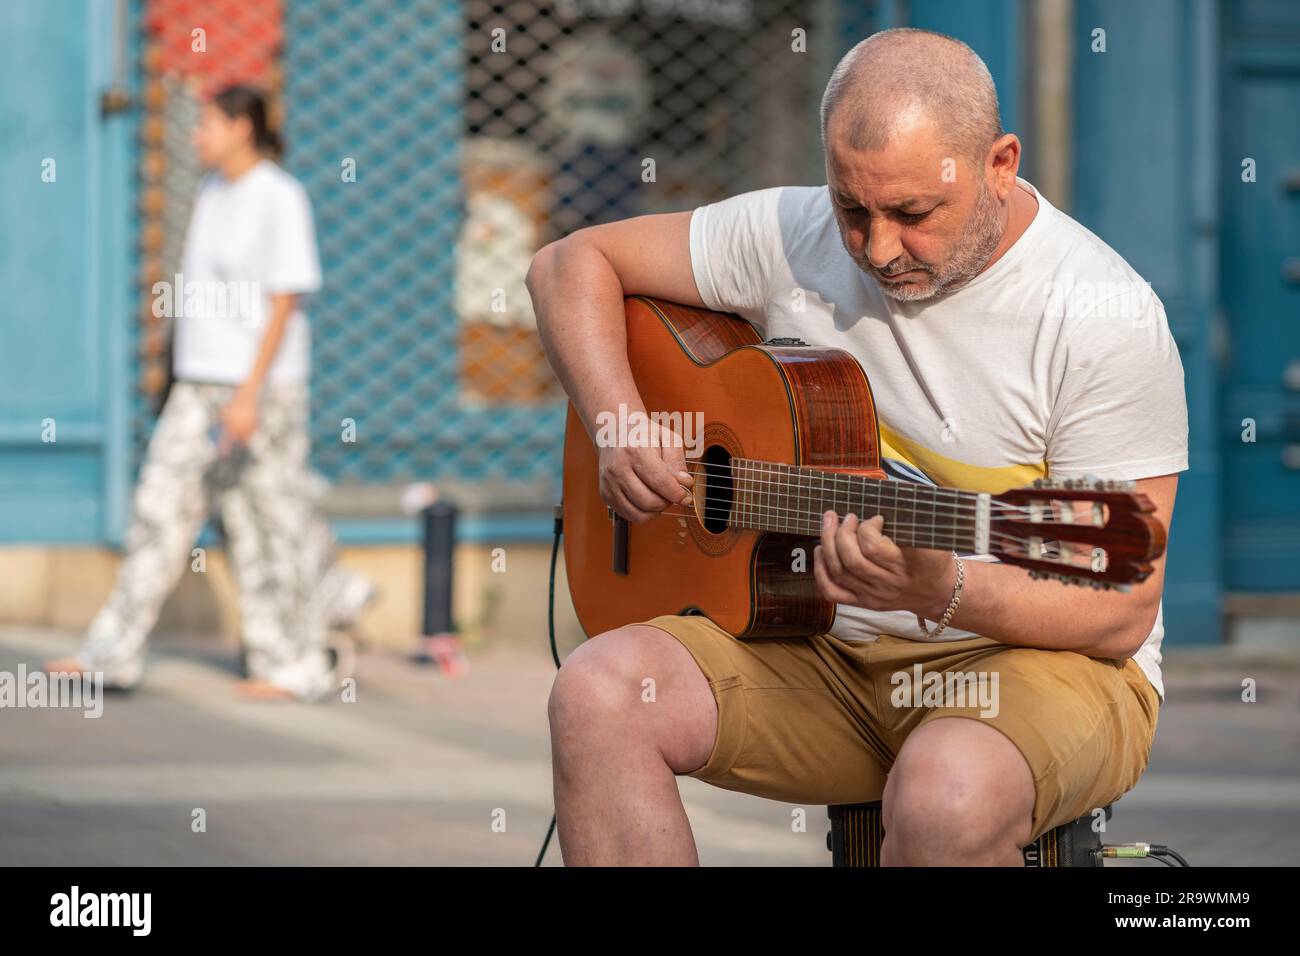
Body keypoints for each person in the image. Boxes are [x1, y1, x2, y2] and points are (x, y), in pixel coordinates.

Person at [529, 28, 1187, 864]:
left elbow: (1120, 608)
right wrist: (618, 420)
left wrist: (940, 587)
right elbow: (567, 262)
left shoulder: (1101, 315)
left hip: (1038, 664)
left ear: (999, 163)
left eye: (914, 215)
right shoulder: (790, 230)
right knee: (597, 694)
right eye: (852, 210)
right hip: (818, 654)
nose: (876, 249)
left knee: (946, 792)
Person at [45, 85, 373, 702]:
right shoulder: (210, 192)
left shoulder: (280, 196)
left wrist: (248, 397)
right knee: (158, 510)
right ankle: (111, 655)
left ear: (243, 127)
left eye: (209, 125)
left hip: (260, 391)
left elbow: (285, 301)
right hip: (198, 386)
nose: (197, 136)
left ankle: (294, 662)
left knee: (266, 526)